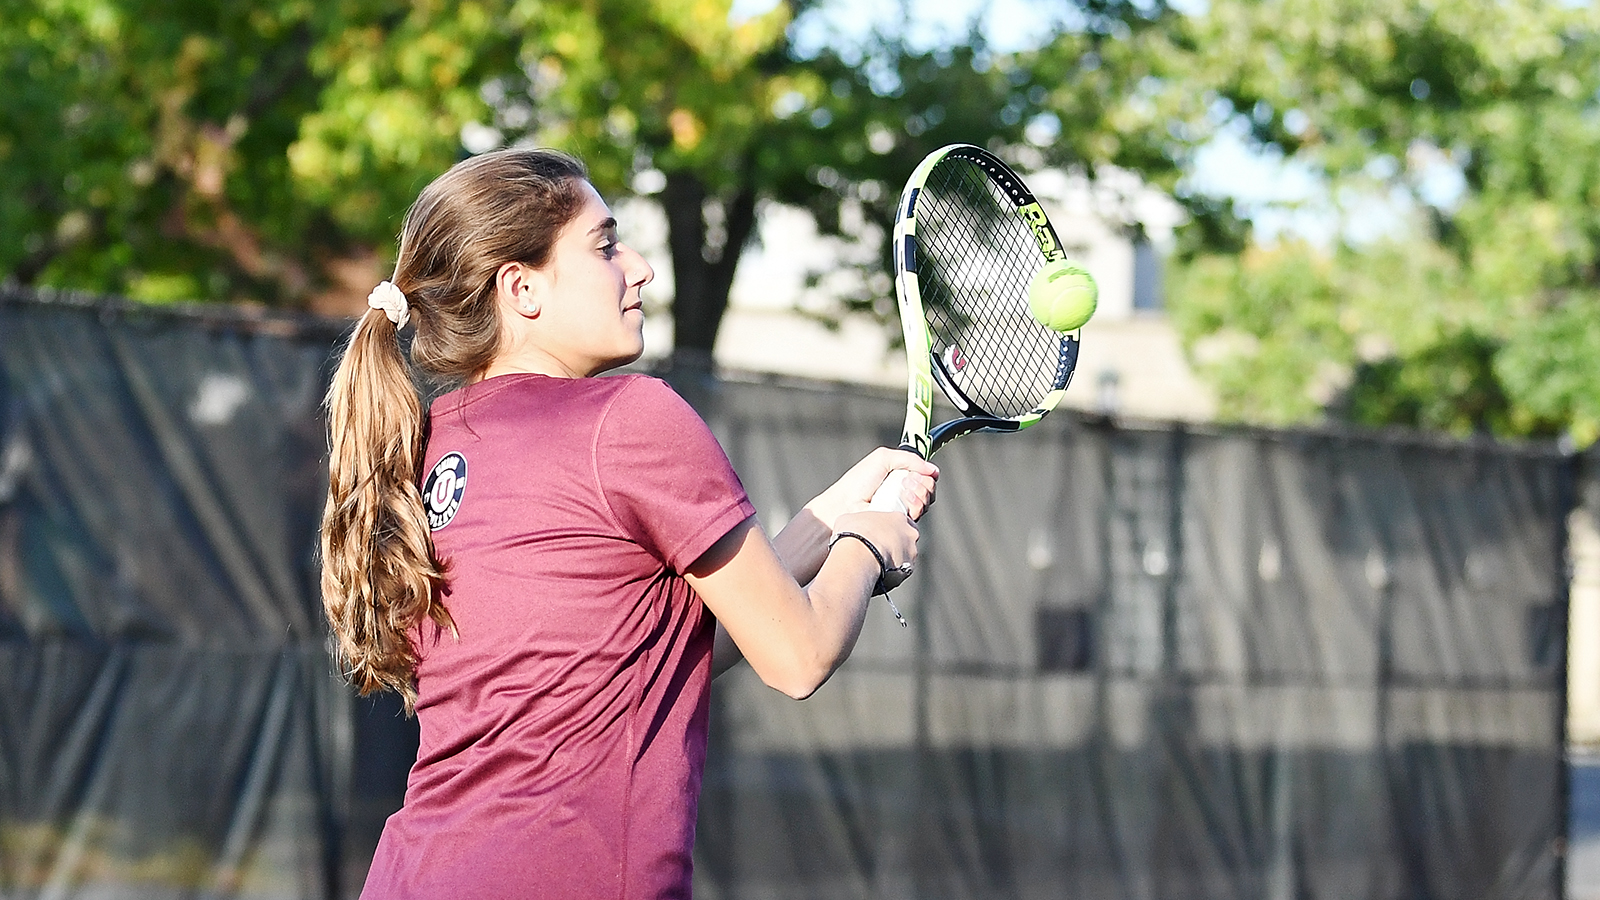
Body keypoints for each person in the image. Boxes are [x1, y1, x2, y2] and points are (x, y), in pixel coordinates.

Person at [319, 148, 937, 900]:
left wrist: (833, 514)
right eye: (606, 246)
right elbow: (799, 655)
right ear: (522, 290)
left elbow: (629, 668)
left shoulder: (428, 442)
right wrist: (868, 546)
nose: (639, 266)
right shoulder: (629, 418)